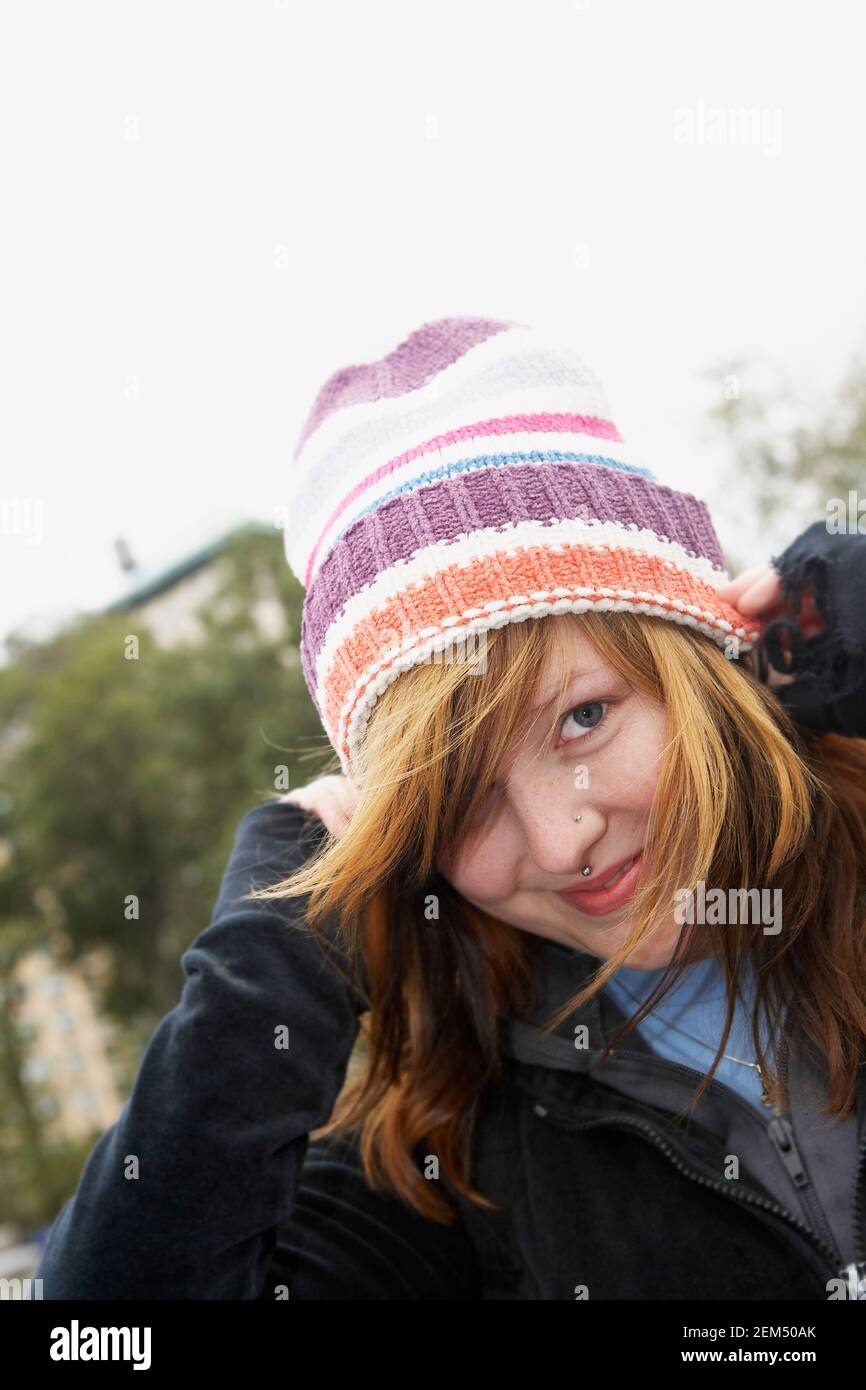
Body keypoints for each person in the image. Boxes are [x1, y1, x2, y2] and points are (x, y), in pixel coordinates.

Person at [33, 316, 866, 1300]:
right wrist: (280, 921)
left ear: (699, 667)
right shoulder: (440, 1152)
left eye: (583, 718)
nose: (562, 839)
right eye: (460, 796)